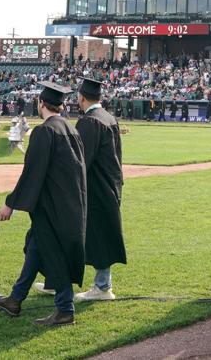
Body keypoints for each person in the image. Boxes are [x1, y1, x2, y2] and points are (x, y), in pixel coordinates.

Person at [0, 81, 88, 327]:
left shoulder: (45, 131)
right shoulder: (70, 128)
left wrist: (10, 204)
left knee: (54, 254)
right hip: (70, 203)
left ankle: (65, 310)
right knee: (36, 247)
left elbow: (32, 173)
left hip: (51, 207)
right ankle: (15, 299)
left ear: (41, 103)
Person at [68, 78, 126, 302]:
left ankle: (102, 287)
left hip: (95, 189)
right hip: (110, 185)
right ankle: (59, 279)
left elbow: (81, 161)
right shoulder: (108, 118)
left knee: (98, 236)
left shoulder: (90, 121)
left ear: (81, 97)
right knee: (97, 234)